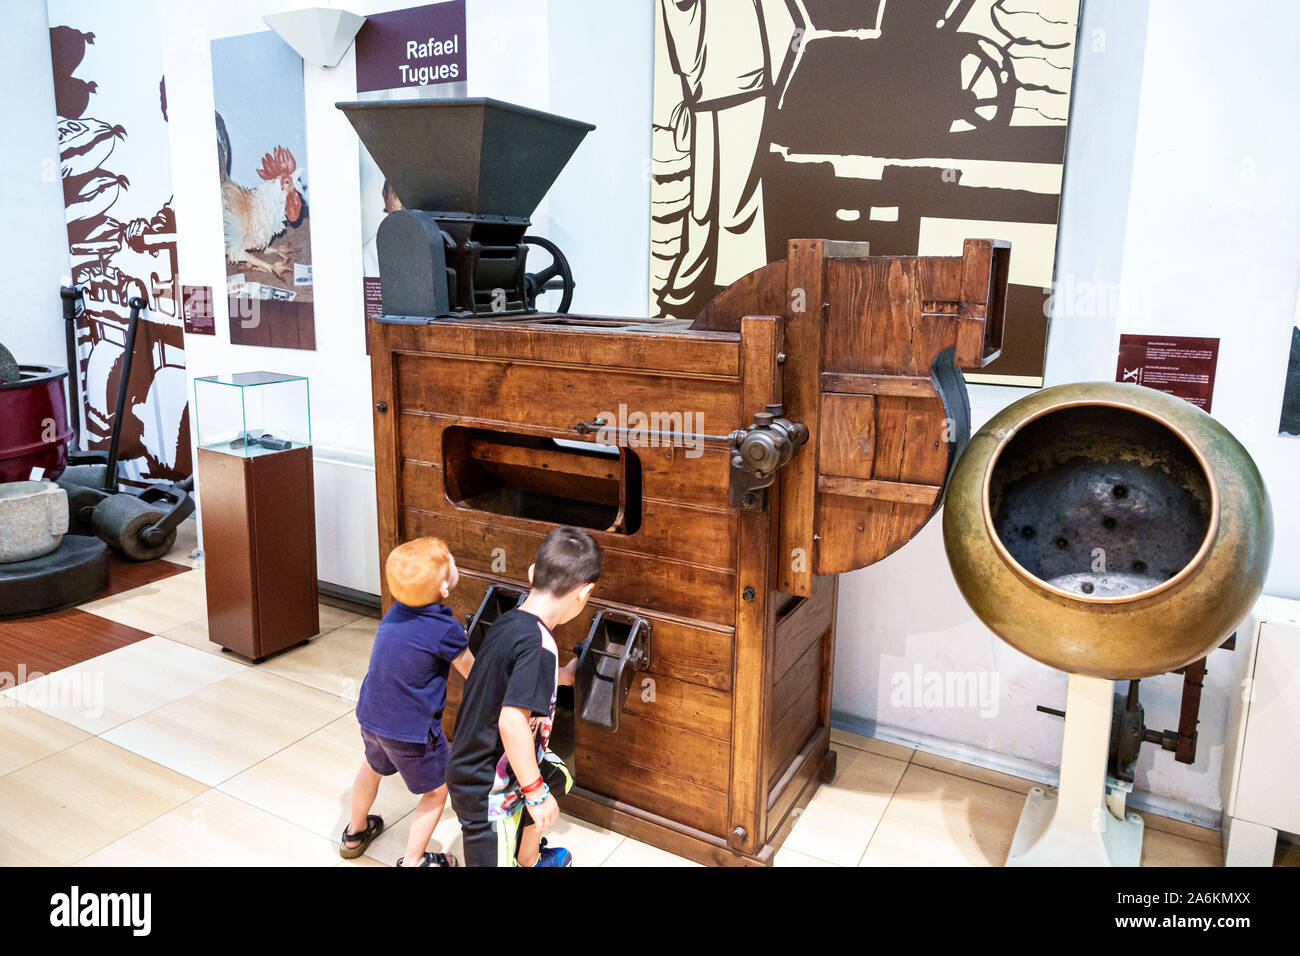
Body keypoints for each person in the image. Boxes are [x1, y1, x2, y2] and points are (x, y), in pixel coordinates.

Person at [447, 527, 603, 867]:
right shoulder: (540, 647)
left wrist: (559, 677)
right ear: (584, 593)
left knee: (559, 773)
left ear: (533, 572)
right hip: (487, 789)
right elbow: (511, 721)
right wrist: (535, 792)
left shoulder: (512, 623)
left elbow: (506, 677)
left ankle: (527, 856)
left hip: (480, 766)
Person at [341, 537, 472, 866]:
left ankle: (355, 832)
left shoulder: (394, 612)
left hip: (371, 716)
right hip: (412, 731)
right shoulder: (446, 629)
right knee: (437, 792)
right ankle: (414, 861)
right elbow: (476, 673)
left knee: (371, 768)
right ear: (444, 587)